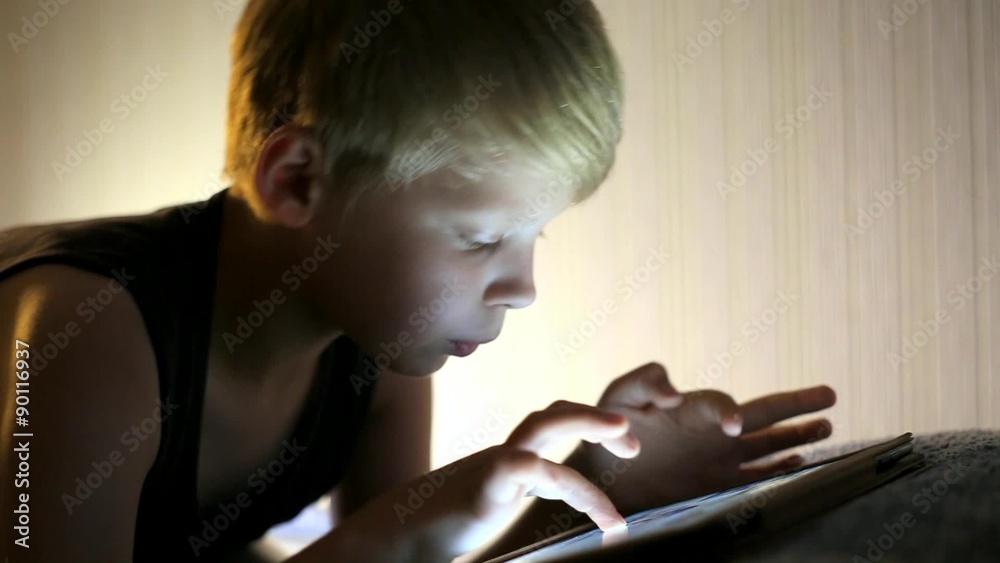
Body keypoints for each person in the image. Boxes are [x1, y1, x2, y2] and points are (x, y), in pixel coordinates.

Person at [0, 0, 836, 561]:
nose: (524, 286)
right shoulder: (82, 332)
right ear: (297, 181)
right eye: (480, 237)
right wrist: (428, 507)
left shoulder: (379, 356)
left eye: (533, 233)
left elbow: (400, 555)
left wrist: (592, 493)